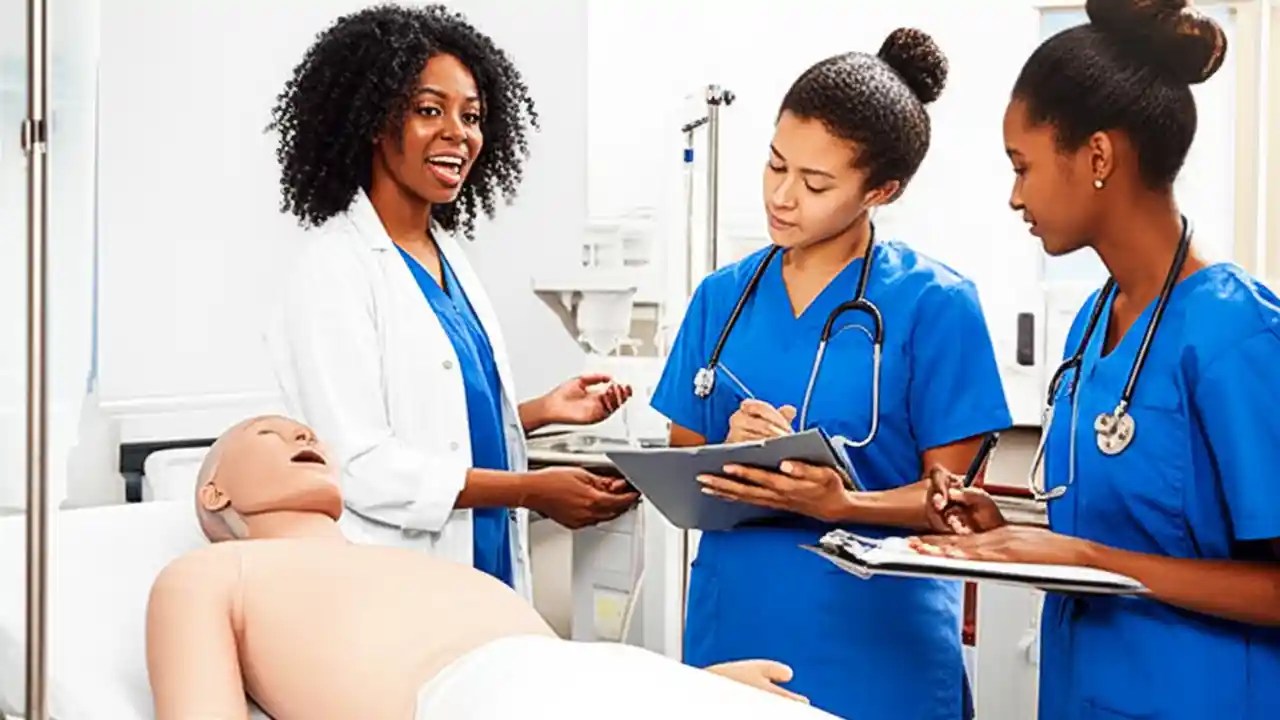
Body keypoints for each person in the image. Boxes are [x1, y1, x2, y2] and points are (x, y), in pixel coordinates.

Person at [910, 2, 1280, 719]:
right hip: (1084, 693)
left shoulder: (1237, 334)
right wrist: (1012, 532)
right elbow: (1126, 531)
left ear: (1099, 157)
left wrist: (1091, 561)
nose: (1015, 196)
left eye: (1024, 166)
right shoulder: (1092, 322)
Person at [648, 27, 1012, 720]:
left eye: (815, 182)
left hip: (876, 644)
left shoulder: (935, 304)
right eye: (775, 165)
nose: (783, 197)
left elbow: (954, 505)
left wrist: (842, 504)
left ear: (882, 188)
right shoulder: (722, 299)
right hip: (734, 630)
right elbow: (681, 461)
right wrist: (731, 450)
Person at [263, 4, 638, 601]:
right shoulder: (335, 268)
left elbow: (435, 419)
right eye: (428, 110)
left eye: (472, 116)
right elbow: (362, 466)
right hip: (395, 580)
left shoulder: (448, 257)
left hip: (485, 564)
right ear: (374, 121)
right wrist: (529, 490)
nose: (457, 134)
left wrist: (539, 411)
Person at [145, 415, 841, 720]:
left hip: (606, 678)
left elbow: (561, 674)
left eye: (307, 432)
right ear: (214, 493)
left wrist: (688, 687)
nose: (302, 434)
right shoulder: (215, 573)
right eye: (270, 433)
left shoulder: (399, 568)